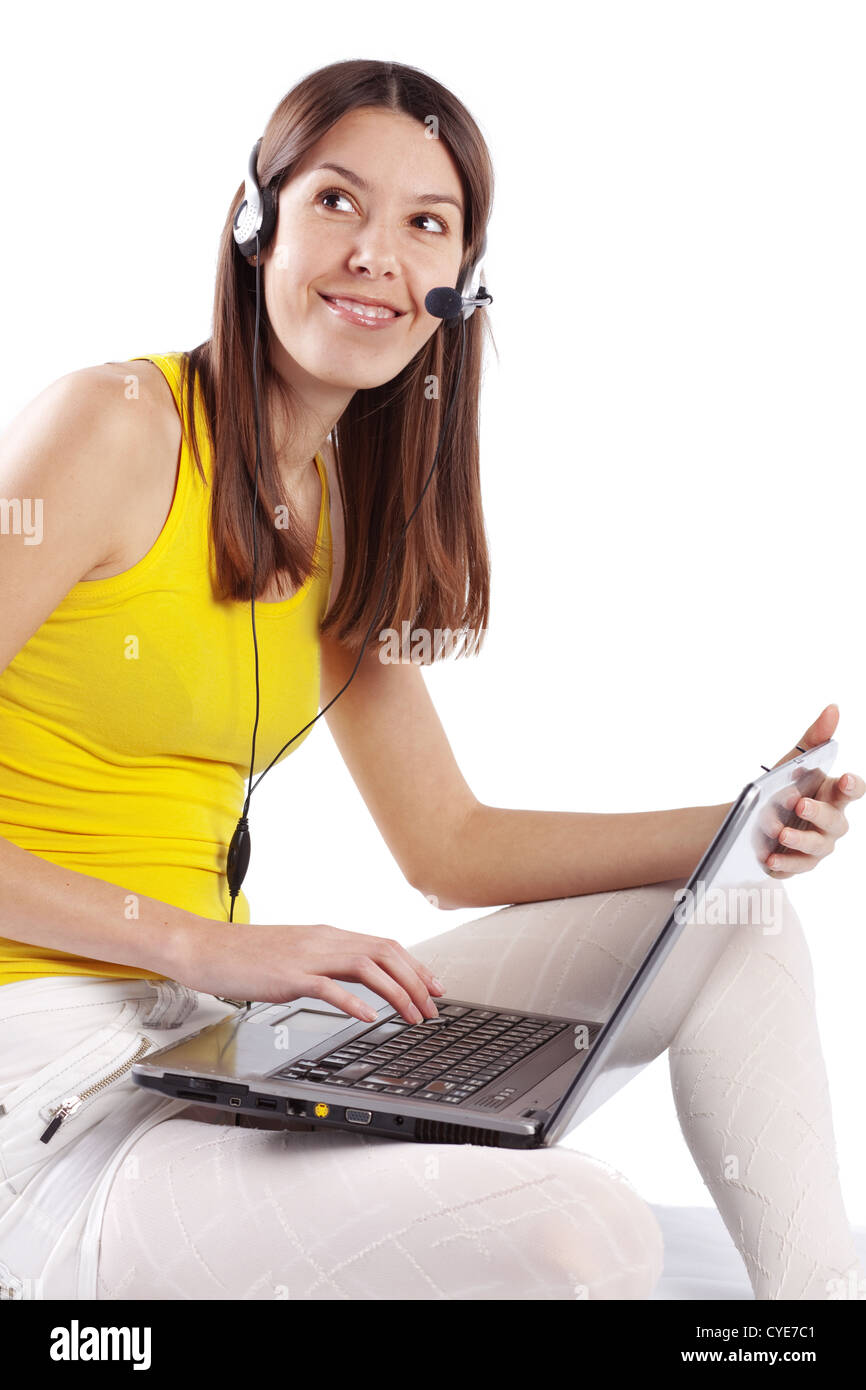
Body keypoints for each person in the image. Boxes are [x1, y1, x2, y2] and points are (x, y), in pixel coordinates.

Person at [0, 58, 862, 1303]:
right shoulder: (115, 426)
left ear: (457, 285)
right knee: (588, 1232)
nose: (375, 257)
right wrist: (201, 944)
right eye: (338, 203)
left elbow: (445, 840)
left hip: (212, 1053)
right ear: (258, 225)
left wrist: (741, 828)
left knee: (737, 934)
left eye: (425, 225)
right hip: (47, 1106)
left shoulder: (340, 513)